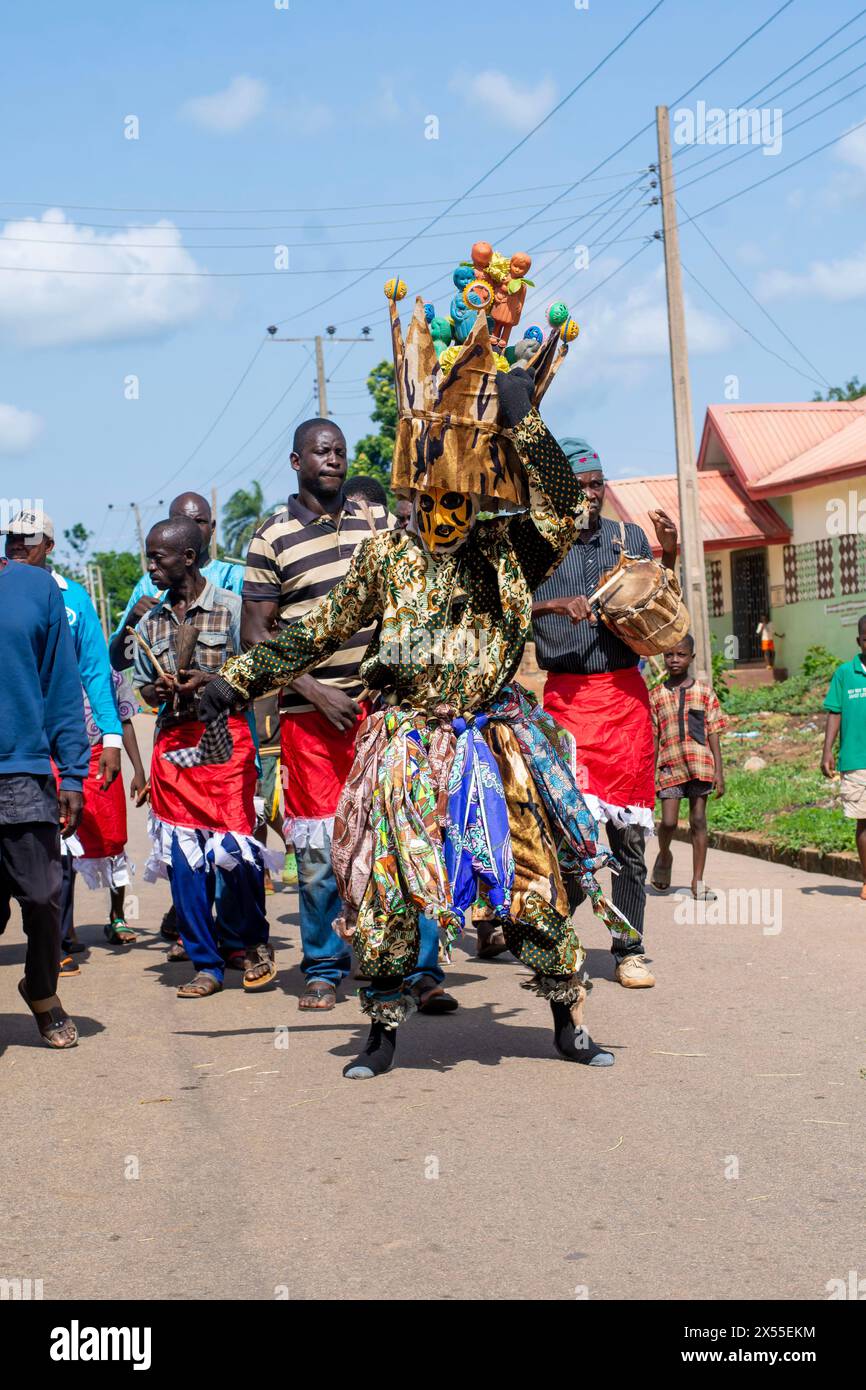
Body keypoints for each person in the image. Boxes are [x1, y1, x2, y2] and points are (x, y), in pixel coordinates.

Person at [199, 312, 637, 1080]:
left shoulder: (510, 547)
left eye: (459, 492)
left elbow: (569, 512)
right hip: (404, 743)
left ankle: (567, 1019)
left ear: (476, 488)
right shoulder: (387, 559)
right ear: (414, 482)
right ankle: (382, 1035)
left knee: (531, 881)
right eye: (431, 489)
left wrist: (528, 422)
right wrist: (233, 682)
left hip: (494, 741)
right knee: (392, 889)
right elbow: (315, 633)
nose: (445, 507)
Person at [241, 418, 454, 1016]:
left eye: (340, 451)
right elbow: (257, 638)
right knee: (321, 856)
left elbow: (417, 594)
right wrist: (314, 686)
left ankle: (422, 969)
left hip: (387, 715)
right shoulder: (269, 539)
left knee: (409, 838)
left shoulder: (379, 525)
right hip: (312, 720)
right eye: (321, 452)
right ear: (295, 462)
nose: (333, 460)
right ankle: (326, 966)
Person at [530, 439, 677, 989]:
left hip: (624, 702)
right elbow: (506, 608)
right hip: (566, 706)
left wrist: (671, 555)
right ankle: (557, 945)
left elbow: (653, 606)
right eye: (582, 485)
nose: (592, 494)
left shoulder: (628, 538)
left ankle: (630, 949)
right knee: (569, 836)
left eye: (598, 483)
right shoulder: (536, 543)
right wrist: (554, 604)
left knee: (628, 840)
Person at [131, 517, 276, 997]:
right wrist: (157, 689)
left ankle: (249, 943)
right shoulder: (148, 622)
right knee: (184, 859)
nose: (151, 566)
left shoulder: (233, 610)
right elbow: (140, 689)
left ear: (188, 559)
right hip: (173, 745)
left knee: (234, 851)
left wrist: (212, 684)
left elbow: (259, 672)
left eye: (158, 557)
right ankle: (205, 962)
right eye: (149, 556)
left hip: (223, 738)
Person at [3, 509, 125, 970]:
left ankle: (58, 944)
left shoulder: (69, 598)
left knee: (55, 853)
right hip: (21, 746)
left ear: (49, 546)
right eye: (11, 537)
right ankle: (60, 939)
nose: (17, 545)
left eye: (27, 539)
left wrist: (110, 735)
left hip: (54, 741)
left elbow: (94, 670)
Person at [0, 554, 88, 1048]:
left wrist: (74, 772)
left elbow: (61, 685)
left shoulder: (35, 587)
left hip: (23, 771)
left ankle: (40, 991)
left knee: (41, 897)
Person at [108, 491, 243, 672]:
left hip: (225, 696)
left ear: (212, 527)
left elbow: (253, 650)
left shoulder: (234, 577)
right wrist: (132, 620)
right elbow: (120, 661)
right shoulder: (149, 584)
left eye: (199, 521)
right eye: (182, 521)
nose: (192, 528)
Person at [648, 635, 726, 899]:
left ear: (691, 658)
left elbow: (714, 730)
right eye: (669, 655)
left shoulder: (704, 692)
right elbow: (655, 736)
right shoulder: (656, 696)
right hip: (669, 766)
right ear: (663, 658)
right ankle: (664, 854)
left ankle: (697, 881)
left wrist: (719, 771)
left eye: (681, 655)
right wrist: (649, 773)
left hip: (700, 764)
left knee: (699, 820)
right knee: (668, 822)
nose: (674, 660)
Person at [821, 617, 866, 899]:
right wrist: (827, 750)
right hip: (856, 759)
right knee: (864, 820)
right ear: (859, 639)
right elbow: (834, 712)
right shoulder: (844, 673)